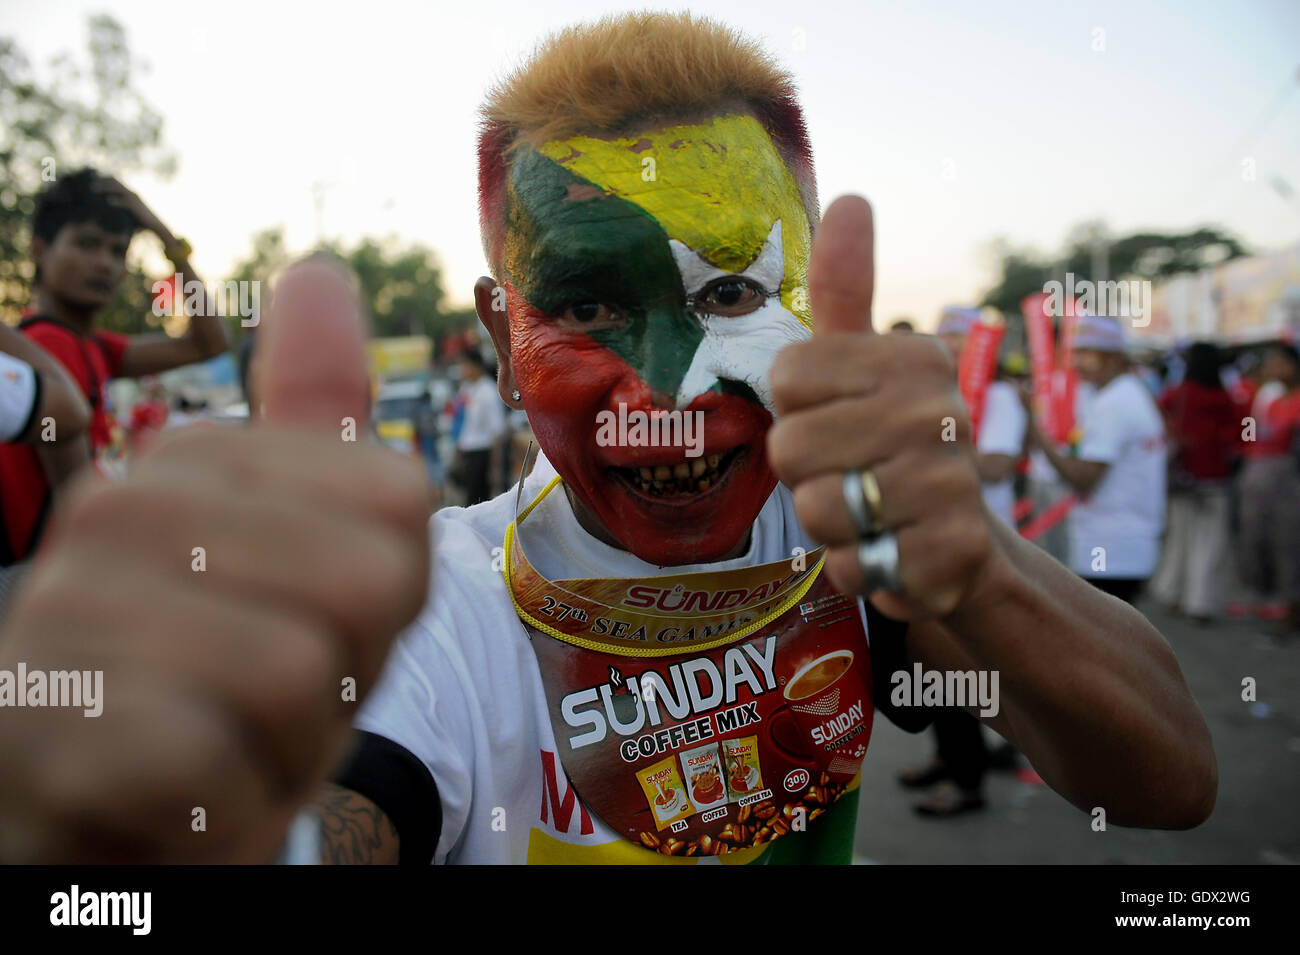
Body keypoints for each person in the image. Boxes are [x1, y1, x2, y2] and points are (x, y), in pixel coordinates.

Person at [0, 14, 1215, 865]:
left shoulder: (854, 553)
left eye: (731, 293)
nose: (663, 385)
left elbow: (1167, 782)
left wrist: (981, 569)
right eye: (582, 305)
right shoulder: (441, 606)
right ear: (496, 326)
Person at [0, 170, 229, 564]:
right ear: (39, 250)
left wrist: (165, 237)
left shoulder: (94, 347)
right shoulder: (49, 345)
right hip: (53, 580)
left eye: (116, 250)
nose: (104, 263)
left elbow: (209, 343)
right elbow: (80, 505)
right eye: (87, 244)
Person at [1029, 314, 1165, 603]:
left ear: (1115, 357)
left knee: (1105, 642)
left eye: (1087, 353)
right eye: (1074, 352)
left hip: (1111, 547)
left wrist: (1038, 435)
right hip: (1118, 544)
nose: (1077, 362)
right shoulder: (1121, 394)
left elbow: (1084, 478)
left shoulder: (1116, 402)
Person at [1149, 342, 1239, 622]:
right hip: (1213, 477)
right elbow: (1240, 432)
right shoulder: (1225, 398)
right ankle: (1200, 603)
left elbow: (1156, 415)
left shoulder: (1177, 394)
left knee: (1178, 537)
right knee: (1210, 542)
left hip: (1180, 477)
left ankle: (1171, 593)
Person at [1235, 343, 1300, 635]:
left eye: (1278, 363)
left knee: (1289, 543)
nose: (1271, 368)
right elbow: (1253, 435)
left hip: (1287, 480)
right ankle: (1272, 599)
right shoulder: (1271, 399)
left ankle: (1290, 608)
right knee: (1261, 540)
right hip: (1261, 477)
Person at [452, 349, 505, 505]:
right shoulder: (467, 389)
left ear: (474, 366)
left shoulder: (487, 391)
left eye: (463, 365)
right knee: (468, 502)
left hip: (482, 454)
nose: (461, 370)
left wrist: (495, 468)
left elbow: (497, 430)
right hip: (468, 453)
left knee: (479, 502)